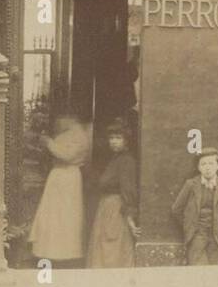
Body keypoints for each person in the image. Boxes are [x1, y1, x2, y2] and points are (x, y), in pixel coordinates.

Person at [27, 114, 91, 266]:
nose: (57, 122)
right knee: (53, 215)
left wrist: (49, 143)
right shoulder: (68, 132)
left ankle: (64, 252)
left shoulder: (79, 134)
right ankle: (48, 250)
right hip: (59, 176)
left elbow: (67, 155)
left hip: (68, 177)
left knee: (64, 216)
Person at [171, 148, 218, 265]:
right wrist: (190, 225)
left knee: (215, 273)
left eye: (211, 163)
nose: (207, 167)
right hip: (197, 235)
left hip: (216, 237)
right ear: (199, 167)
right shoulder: (191, 185)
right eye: (203, 164)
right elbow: (176, 209)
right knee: (198, 270)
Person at [87, 117, 139, 268]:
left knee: (112, 249)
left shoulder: (127, 161)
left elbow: (128, 190)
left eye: (118, 138)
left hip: (116, 210)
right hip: (106, 207)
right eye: (111, 138)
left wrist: (130, 219)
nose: (114, 141)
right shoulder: (116, 159)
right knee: (104, 248)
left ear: (126, 141)